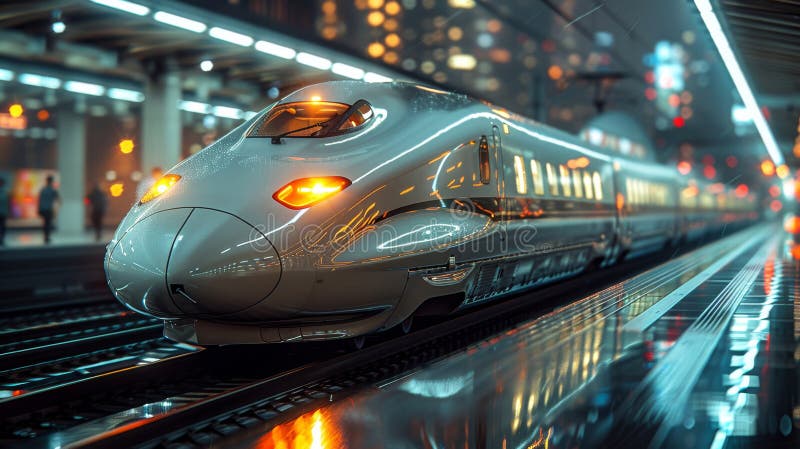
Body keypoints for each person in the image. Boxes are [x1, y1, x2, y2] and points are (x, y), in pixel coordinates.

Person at [38, 175, 59, 244]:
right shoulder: (52, 190)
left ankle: (46, 236)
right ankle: (46, 237)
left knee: (46, 223)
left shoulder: (43, 190)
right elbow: (58, 198)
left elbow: (40, 200)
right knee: (48, 223)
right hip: (48, 209)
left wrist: (39, 209)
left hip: (44, 209)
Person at [0, 178, 8, 246]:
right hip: (3, 212)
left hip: (3, 212)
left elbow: (7, 203)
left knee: (3, 226)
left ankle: (2, 238)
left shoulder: (5, 192)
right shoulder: (4, 192)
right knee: (2, 226)